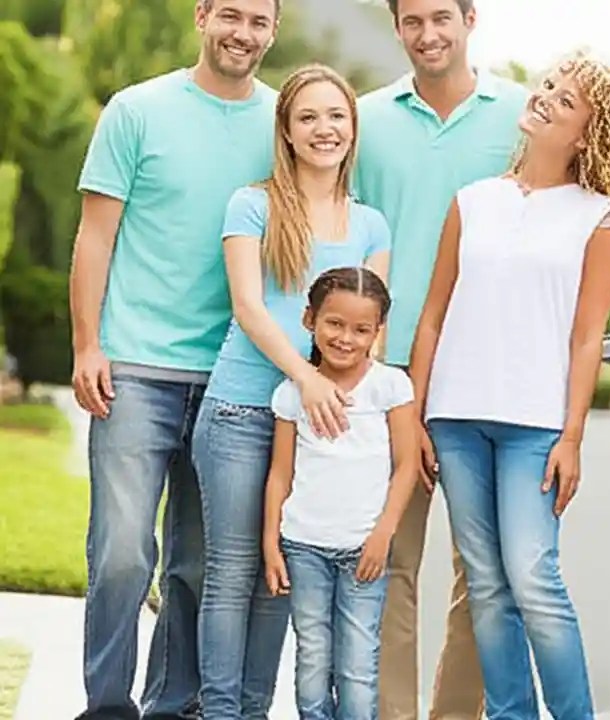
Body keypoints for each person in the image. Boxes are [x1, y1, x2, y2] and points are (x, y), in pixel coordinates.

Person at [408, 51, 610, 720]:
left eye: (567, 98)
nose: (546, 96)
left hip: (536, 425)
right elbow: (433, 315)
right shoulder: (473, 202)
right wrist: (415, 411)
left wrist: (572, 436)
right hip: (455, 418)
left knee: (533, 578)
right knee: (487, 585)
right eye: (548, 84)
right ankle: (511, 715)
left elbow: (587, 337)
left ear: (589, 132)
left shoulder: (599, 220)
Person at [68, 0, 279, 717]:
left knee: (196, 564)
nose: (242, 32)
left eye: (257, 20)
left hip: (233, 376)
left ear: (272, 31)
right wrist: (87, 344)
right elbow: (95, 236)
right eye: (230, 15)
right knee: (123, 553)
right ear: (201, 16)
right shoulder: (136, 110)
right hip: (134, 367)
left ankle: (172, 704)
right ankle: (105, 706)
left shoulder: (284, 122)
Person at [190, 64, 392, 719]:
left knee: (283, 578)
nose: (323, 129)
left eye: (336, 115)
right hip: (243, 408)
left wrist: (357, 413)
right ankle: (222, 712)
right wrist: (303, 376)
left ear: (352, 127)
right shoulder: (252, 206)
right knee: (233, 573)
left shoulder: (370, 226)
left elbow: (370, 332)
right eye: (307, 117)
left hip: (321, 424)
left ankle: (253, 709)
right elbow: (249, 307)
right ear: (286, 130)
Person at [352, 0, 528, 716]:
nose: (427, 35)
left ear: (470, 18)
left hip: (487, 376)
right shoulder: (364, 119)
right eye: (412, 21)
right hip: (382, 372)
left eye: (440, 18)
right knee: (385, 561)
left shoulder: (523, 117)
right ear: (397, 27)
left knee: (489, 574)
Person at [262, 267, 417, 720]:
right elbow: (279, 474)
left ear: (377, 333)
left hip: (363, 551)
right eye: (334, 323)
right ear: (310, 319)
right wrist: (271, 543)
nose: (346, 338)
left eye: (361, 329)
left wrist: (382, 536)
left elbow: (406, 466)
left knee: (356, 667)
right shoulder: (292, 393)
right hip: (304, 546)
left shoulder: (390, 387)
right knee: (312, 659)